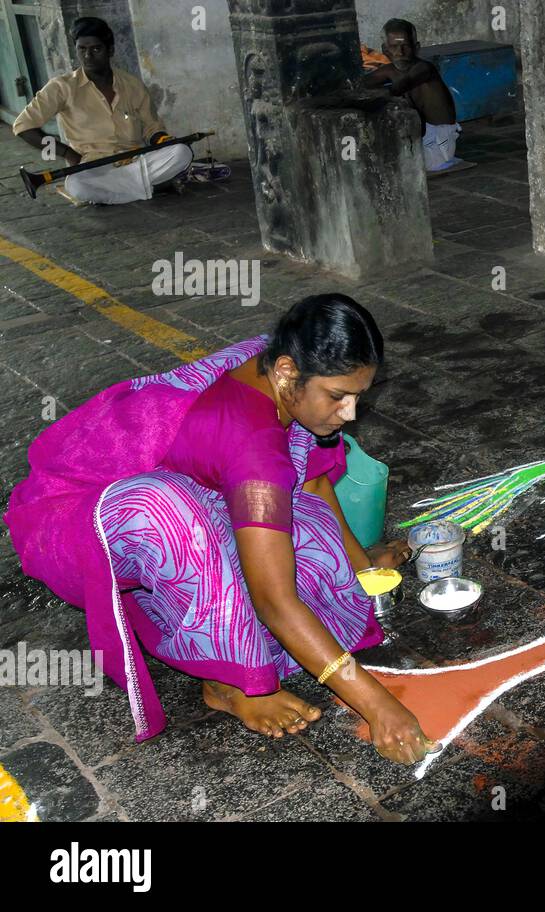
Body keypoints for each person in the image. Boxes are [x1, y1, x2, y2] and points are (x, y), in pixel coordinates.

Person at [3, 295, 435, 765]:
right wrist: (378, 706)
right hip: (73, 525)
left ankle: (205, 621)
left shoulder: (271, 363)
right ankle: (229, 682)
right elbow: (275, 600)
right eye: (337, 397)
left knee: (307, 525)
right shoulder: (253, 447)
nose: (350, 413)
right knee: (168, 509)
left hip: (187, 495)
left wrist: (360, 564)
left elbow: (310, 479)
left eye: (358, 396)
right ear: (289, 372)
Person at [11, 17, 193, 205]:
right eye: (82, 49)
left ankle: (121, 193)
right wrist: (67, 154)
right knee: (77, 185)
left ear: (110, 50)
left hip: (135, 161)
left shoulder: (132, 85)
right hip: (93, 166)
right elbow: (23, 126)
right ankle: (154, 188)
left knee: (181, 153)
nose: (88, 56)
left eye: (96, 49)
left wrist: (162, 139)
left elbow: (152, 127)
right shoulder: (61, 87)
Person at [362, 18, 465, 173]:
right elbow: (361, 84)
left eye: (406, 46)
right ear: (385, 50)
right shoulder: (390, 70)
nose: (400, 52)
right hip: (423, 137)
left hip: (438, 141)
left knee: (392, 169)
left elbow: (403, 84)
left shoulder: (424, 68)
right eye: (394, 47)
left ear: (416, 47)